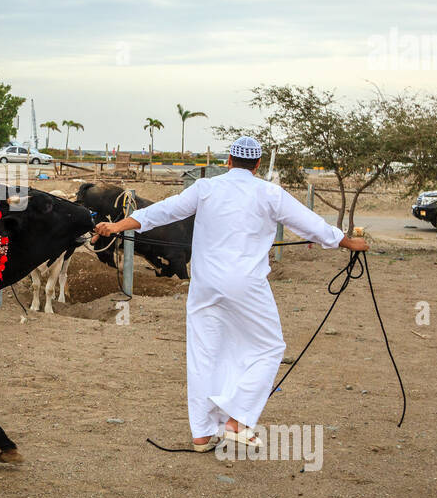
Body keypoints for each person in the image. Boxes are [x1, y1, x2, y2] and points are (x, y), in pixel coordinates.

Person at [93, 136, 369, 450]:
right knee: (268, 347)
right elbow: (311, 225)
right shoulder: (269, 192)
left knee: (204, 353)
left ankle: (201, 434)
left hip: (205, 283)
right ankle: (236, 420)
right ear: (258, 165)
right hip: (245, 283)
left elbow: (161, 212)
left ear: (228, 161)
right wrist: (348, 243)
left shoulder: (205, 188)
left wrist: (116, 227)